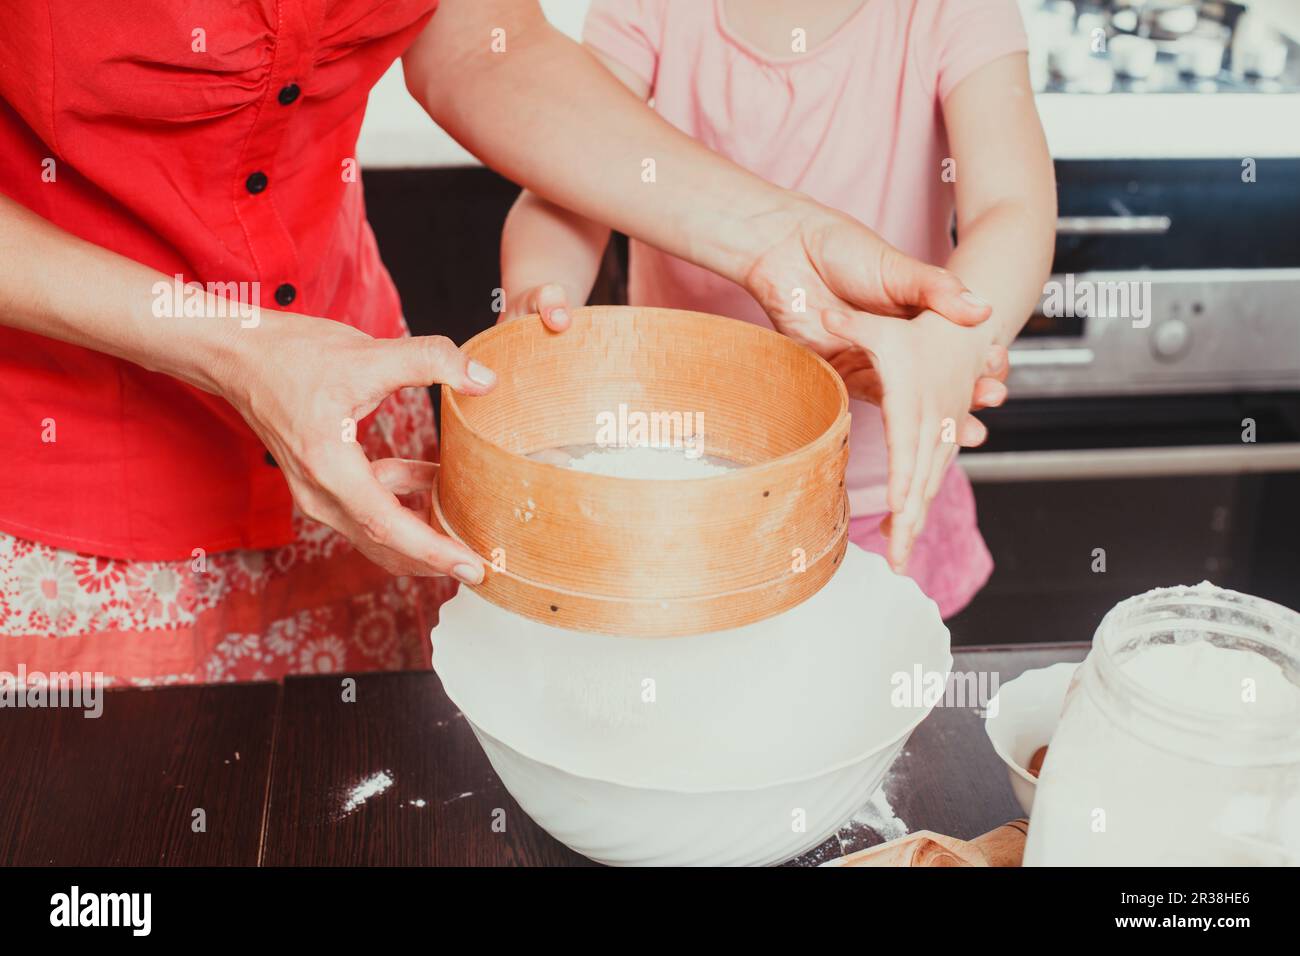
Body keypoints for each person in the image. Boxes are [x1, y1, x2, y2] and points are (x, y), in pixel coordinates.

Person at [0, 0, 991, 684]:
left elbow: (480, 43)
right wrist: (230, 348)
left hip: (354, 423)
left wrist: (773, 236)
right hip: (65, 485)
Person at [500, 0, 1057, 617]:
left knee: (861, 698)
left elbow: (1013, 207)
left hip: (870, 495)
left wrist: (954, 338)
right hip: (677, 483)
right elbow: (570, 176)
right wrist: (538, 288)